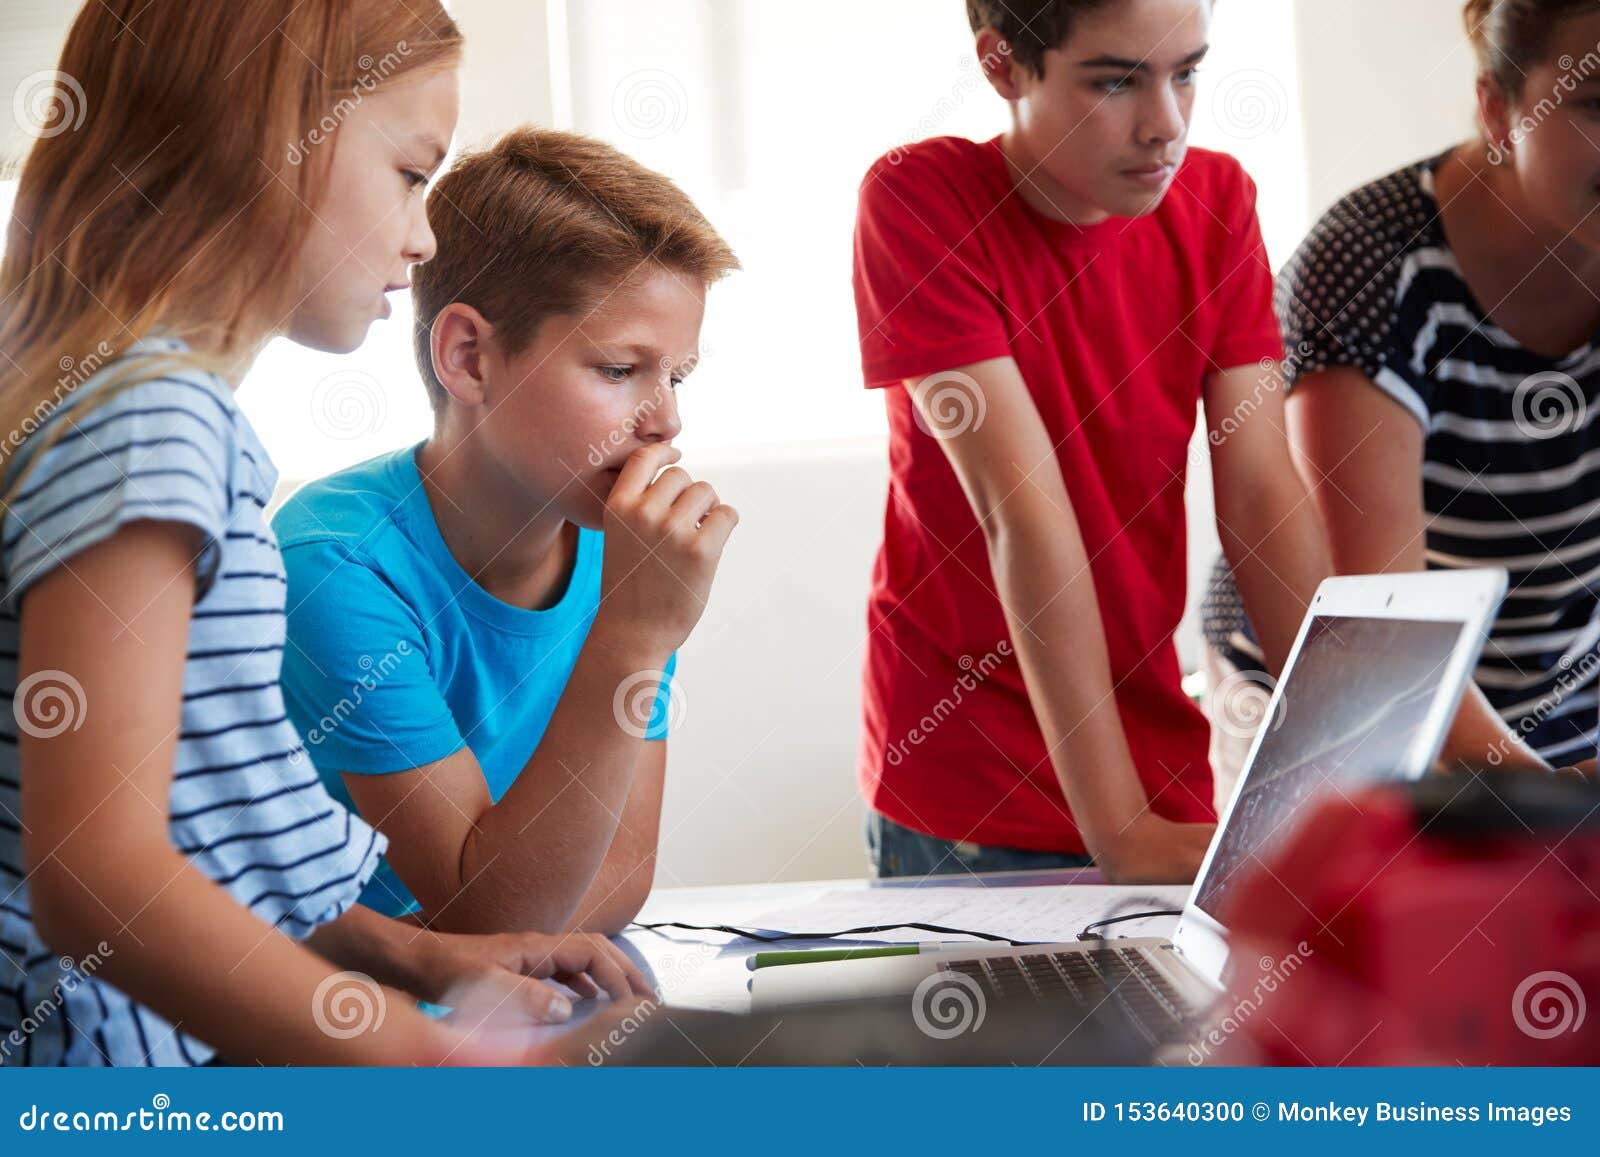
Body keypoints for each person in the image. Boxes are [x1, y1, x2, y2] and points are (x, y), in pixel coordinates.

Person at [0, 0, 646, 1068]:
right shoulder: (151, 424)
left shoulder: (143, 410)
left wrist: (427, 961)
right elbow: (97, 875)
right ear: (272, 140)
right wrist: (429, 1058)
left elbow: (207, 842)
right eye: (408, 172)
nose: (425, 232)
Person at [852, 0, 1330, 883]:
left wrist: (1348, 772)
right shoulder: (919, 200)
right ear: (1001, 66)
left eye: (1186, 71)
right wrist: (1119, 832)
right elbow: (1022, 514)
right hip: (972, 780)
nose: (1167, 126)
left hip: (1157, 766)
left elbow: (1263, 494)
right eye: (1116, 81)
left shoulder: (1218, 199)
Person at [275, 128, 740, 935]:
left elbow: (621, 874)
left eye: (678, 375)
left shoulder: (622, 550)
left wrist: (509, 950)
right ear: (468, 358)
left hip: (488, 1002)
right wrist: (632, 637)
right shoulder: (335, 563)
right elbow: (486, 908)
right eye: (620, 369)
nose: (667, 419)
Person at [1203, 0, 1600, 791]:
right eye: (1597, 103)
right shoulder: (1370, 266)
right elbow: (1385, 637)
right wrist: (1553, 811)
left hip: (1562, 694)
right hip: (1345, 703)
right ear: (1498, 109)